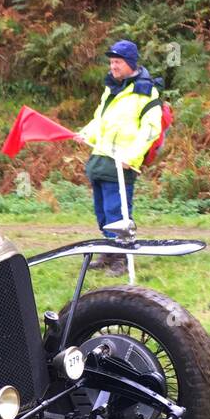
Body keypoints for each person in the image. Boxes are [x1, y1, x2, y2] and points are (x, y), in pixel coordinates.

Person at [77, 39, 163, 274]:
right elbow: (100, 120)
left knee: (118, 212)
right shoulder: (111, 88)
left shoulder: (145, 91)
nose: (112, 67)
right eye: (111, 62)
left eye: (117, 62)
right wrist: (84, 133)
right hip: (101, 159)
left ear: (130, 64)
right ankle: (108, 251)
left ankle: (121, 259)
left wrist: (132, 157)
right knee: (102, 211)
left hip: (122, 163)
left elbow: (151, 130)